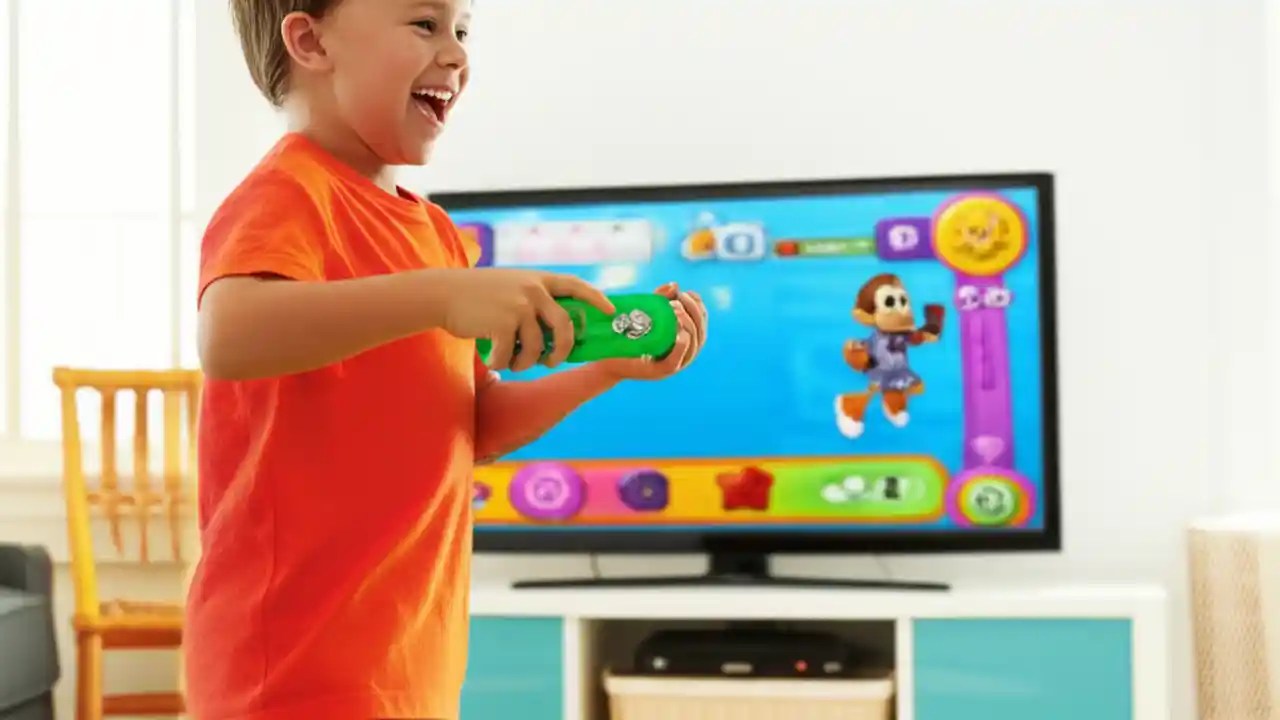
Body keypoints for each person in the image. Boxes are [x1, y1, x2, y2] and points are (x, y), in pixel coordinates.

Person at [183, 1, 708, 718]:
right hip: (292, 669)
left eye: (462, 30)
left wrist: (604, 369)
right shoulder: (287, 194)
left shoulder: (434, 233)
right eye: (424, 24)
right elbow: (230, 335)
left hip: (407, 664)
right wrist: (443, 296)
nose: (457, 54)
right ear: (310, 41)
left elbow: (474, 424)